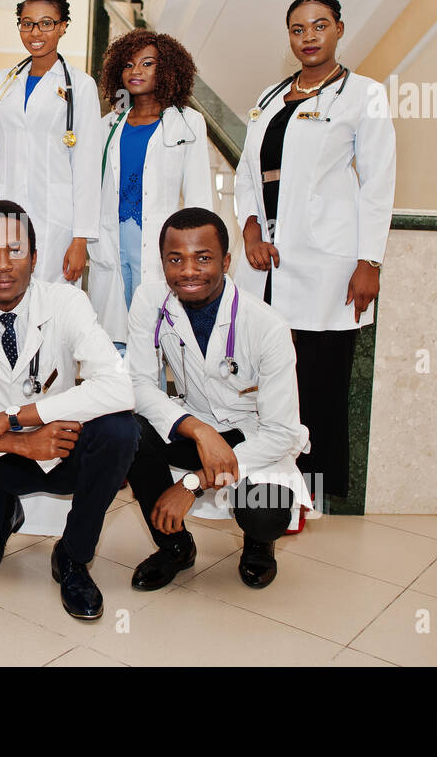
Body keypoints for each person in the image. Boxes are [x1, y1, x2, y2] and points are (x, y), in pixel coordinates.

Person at [0, 200, 138, 620]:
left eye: (14, 250)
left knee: (121, 430)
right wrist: (14, 441)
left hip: (60, 449)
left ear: (34, 257)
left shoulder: (66, 302)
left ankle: (72, 556)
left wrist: (12, 418)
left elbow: (119, 388)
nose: (1, 264)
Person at [234, 0, 396, 507]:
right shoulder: (269, 97)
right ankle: (272, 481)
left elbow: (378, 183)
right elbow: (247, 171)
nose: (309, 37)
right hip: (271, 261)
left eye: (320, 26)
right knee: (272, 374)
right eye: (299, 29)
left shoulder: (362, 94)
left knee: (322, 377)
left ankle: (320, 489)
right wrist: (252, 229)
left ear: (340, 30)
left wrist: (369, 261)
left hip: (329, 261)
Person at [126, 207, 311, 590]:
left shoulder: (268, 327)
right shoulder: (150, 301)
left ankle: (259, 545)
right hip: (194, 424)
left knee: (266, 512)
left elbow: (280, 432)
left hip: (253, 435)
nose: (188, 271)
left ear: (226, 261)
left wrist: (192, 483)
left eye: (203, 258)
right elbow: (139, 386)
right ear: (163, 263)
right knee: (126, 433)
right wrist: (198, 431)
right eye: (175, 259)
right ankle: (175, 546)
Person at [0, 0, 103, 285]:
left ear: (63, 27)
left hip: (56, 218)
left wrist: (80, 238)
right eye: (27, 24)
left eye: (46, 23)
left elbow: (87, 166)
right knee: (4, 294)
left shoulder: (80, 86)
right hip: (5, 214)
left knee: (52, 304)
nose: (35, 32)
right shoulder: (5, 80)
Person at [89, 30, 214, 346]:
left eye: (147, 64)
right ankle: (120, 396)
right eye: (129, 65)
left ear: (167, 69)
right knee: (115, 338)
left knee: (156, 337)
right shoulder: (109, 124)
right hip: (114, 238)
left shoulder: (188, 123)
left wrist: (201, 251)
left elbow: (199, 195)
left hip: (160, 240)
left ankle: (150, 397)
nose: (136, 72)